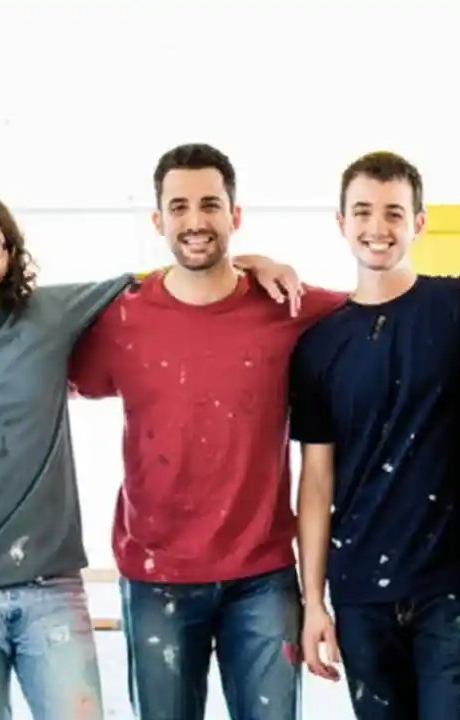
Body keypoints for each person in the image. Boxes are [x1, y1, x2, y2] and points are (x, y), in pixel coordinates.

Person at [0, 190, 297, 720]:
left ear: (10, 256)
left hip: (51, 589)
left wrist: (253, 261)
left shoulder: (48, 314)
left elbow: (173, 272)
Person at [66, 142, 348, 719]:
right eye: (179, 207)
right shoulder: (122, 318)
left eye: (210, 205)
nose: (195, 221)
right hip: (155, 577)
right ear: (158, 220)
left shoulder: (286, 305)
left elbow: (379, 310)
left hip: (262, 576)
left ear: (235, 216)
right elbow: (30, 363)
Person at [288, 151, 460, 719]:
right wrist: (314, 602)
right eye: (362, 211)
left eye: (393, 212)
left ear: (419, 222)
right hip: (361, 593)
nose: (377, 228)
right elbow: (315, 482)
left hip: (455, 585)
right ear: (340, 222)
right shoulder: (318, 345)